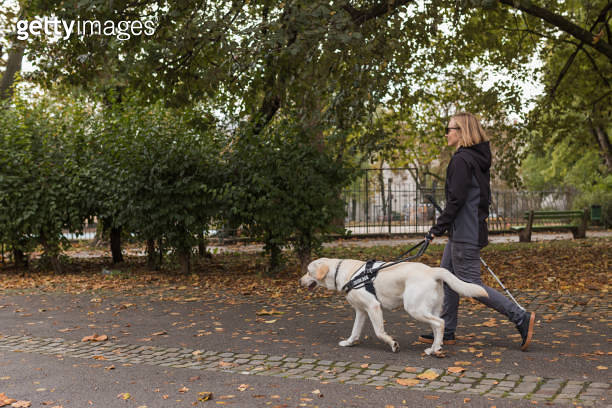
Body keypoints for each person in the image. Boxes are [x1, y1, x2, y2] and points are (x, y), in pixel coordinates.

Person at [419, 112, 535, 351]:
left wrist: (436, 229)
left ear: (461, 131)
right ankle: (446, 329)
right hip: (465, 230)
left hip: (464, 232)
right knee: (447, 279)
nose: (447, 133)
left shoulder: (462, 160)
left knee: (470, 284)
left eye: (450, 128)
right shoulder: (475, 159)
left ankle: (520, 316)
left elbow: (456, 200)